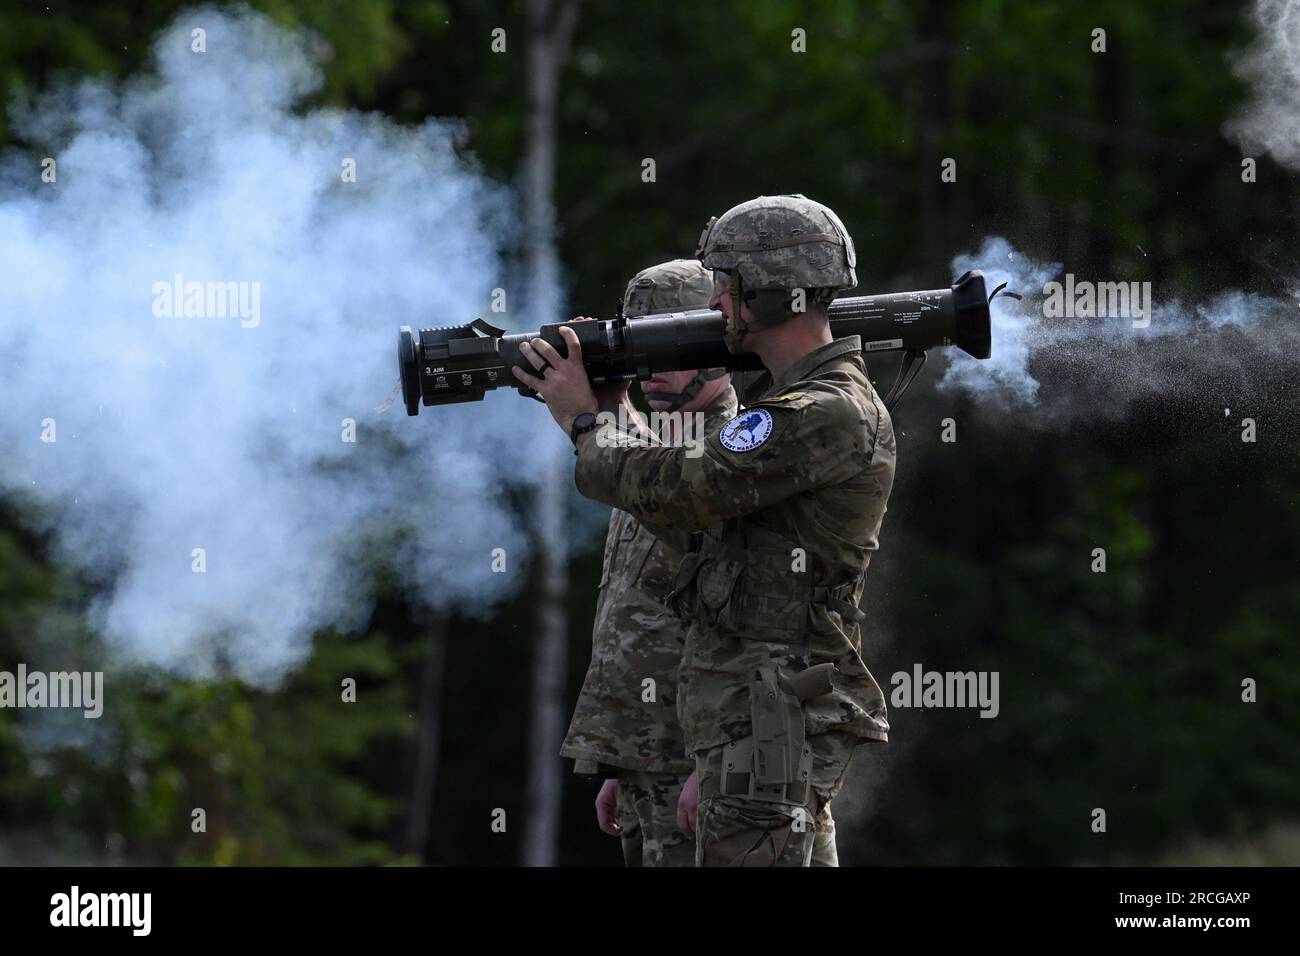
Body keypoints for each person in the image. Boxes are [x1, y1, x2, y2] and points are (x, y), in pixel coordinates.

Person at [517, 195, 894, 866]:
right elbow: (693, 529)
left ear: (769, 292)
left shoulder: (819, 411)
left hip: (761, 727)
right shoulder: (805, 405)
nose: (716, 304)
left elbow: (673, 491)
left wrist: (584, 421)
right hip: (741, 725)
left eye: (726, 285)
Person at [559, 258, 734, 867]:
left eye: (668, 344)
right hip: (647, 762)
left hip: (697, 765)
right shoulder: (652, 453)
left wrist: (714, 766)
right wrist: (620, 759)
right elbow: (638, 609)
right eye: (638, 345)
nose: (651, 365)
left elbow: (739, 628)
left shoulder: (730, 457)